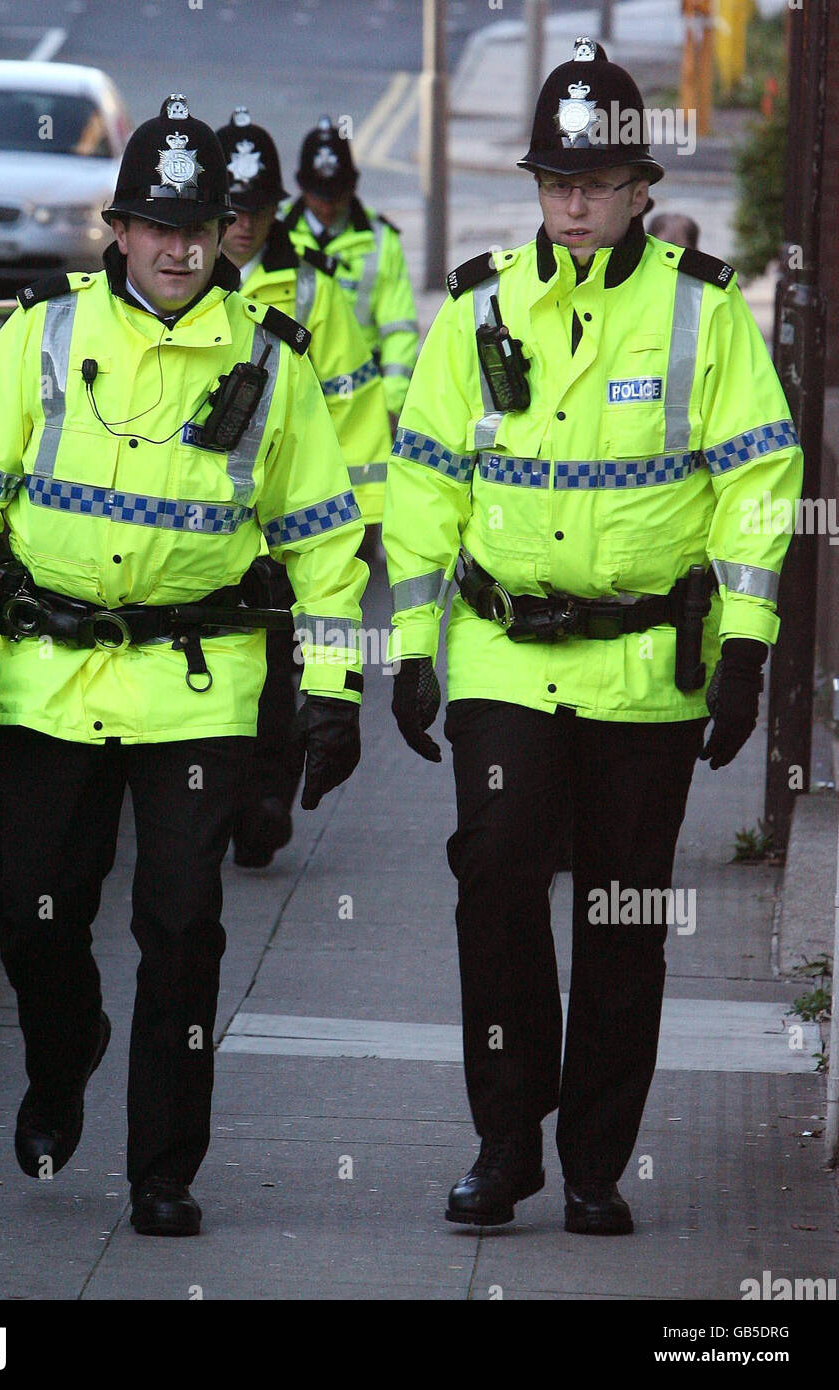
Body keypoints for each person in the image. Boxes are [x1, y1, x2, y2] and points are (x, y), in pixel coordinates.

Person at [0, 94, 367, 1238]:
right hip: (47, 684)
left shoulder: (274, 363)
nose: (176, 247)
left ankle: (164, 1167)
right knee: (33, 921)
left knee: (184, 928)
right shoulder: (45, 336)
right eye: (155, 225)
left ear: (224, 233)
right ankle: (65, 1060)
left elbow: (323, 539)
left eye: (199, 226)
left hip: (192, 691)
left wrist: (336, 687)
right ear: (116, 227)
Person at [383, 39, 802, 1236]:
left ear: (639, 191)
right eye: (555, 181)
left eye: (596, 182)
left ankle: (594, 1161)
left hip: (644, 667)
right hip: (506, 656)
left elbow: (761, 479)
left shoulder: (703, 315)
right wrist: (413, 649)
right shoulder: (476, 308)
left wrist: (748, 646)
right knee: (499, 876)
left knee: (622, 914)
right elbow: (420, 486)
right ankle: (507, 1140)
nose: (573, 203)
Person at [216, 107, 391, 867]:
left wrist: (360, 523)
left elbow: (353, 413)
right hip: (203, 538)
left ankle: (263, 802)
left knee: (280, 677)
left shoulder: (315, 295)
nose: (246, 227)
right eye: (233, 211)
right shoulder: (173, 282)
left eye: (257, 211)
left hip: (286, 538)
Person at [281, 116, 419, 534]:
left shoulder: (381, 239)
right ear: (302, 188)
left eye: (336, 195)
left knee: (360, 511)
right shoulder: (276, 232)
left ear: (352, 188)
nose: (326, 205)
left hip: (359, 396)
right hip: (295, 387)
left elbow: (398, 329)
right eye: (318, 195)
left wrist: (391, 403)